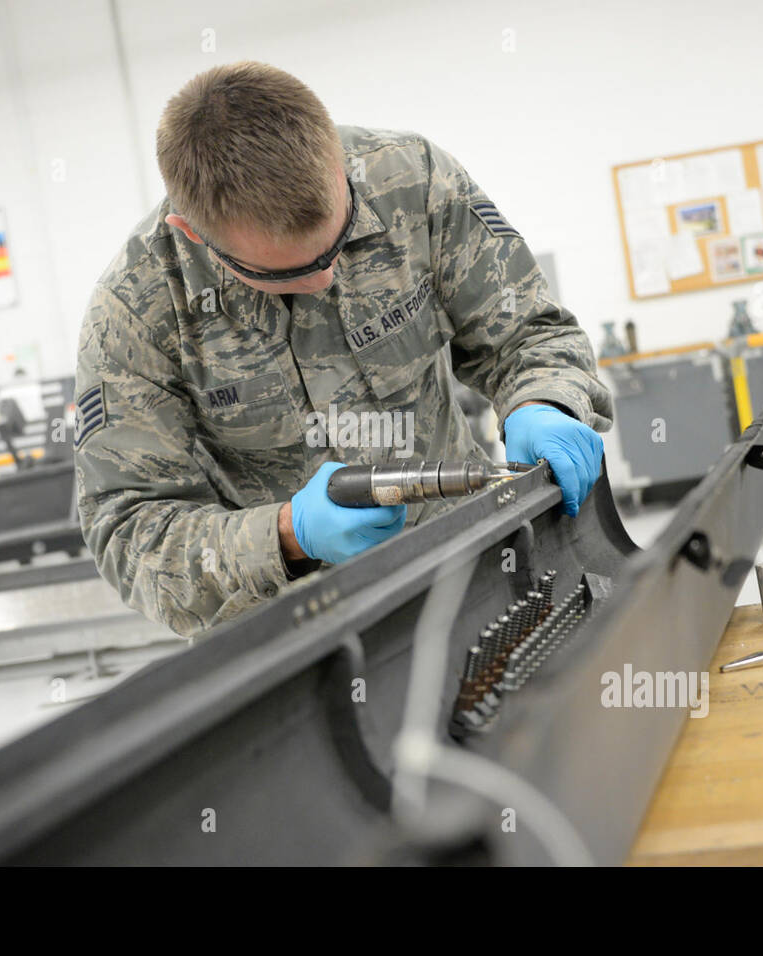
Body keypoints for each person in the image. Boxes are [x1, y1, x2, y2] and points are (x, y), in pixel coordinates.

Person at [75, 61, 611, 638]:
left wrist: (543, 403)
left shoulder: (412, 180)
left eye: (339, 239)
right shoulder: (136, 311)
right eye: (293, 270)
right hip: (303, 635)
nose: (327, 277)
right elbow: (130, 532)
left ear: (336, 157)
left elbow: (529, 333)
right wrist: (286, 533)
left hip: (473, 573)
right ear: (193, 234)